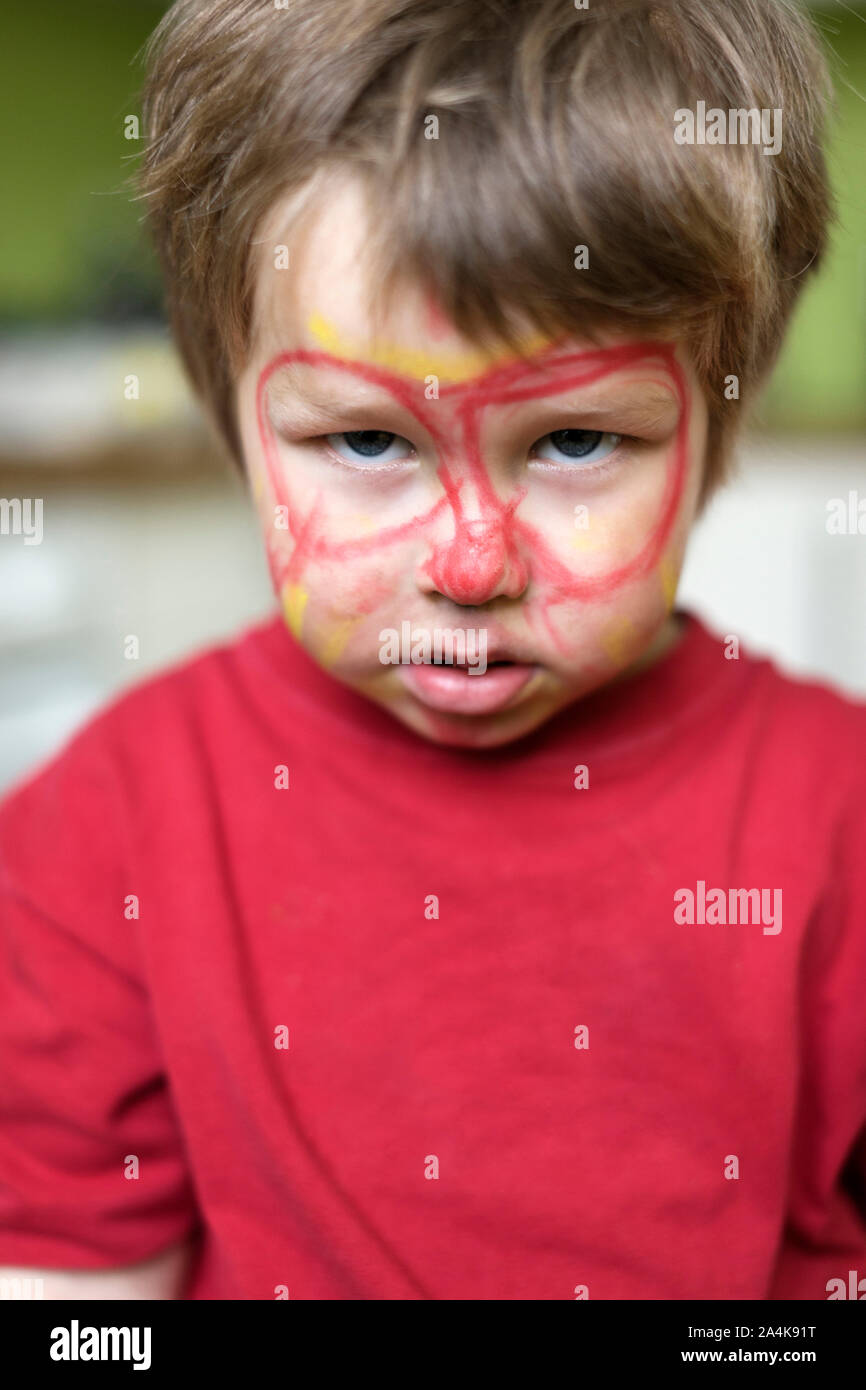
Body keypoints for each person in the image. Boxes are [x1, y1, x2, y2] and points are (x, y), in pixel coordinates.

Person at [2, 0, 864, 1300]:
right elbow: (76, 1304)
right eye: (365, 442)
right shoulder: (102, 826)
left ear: (715, 430)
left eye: (575, 441)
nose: (469, 567)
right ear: (231, 414)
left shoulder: (838, 816)